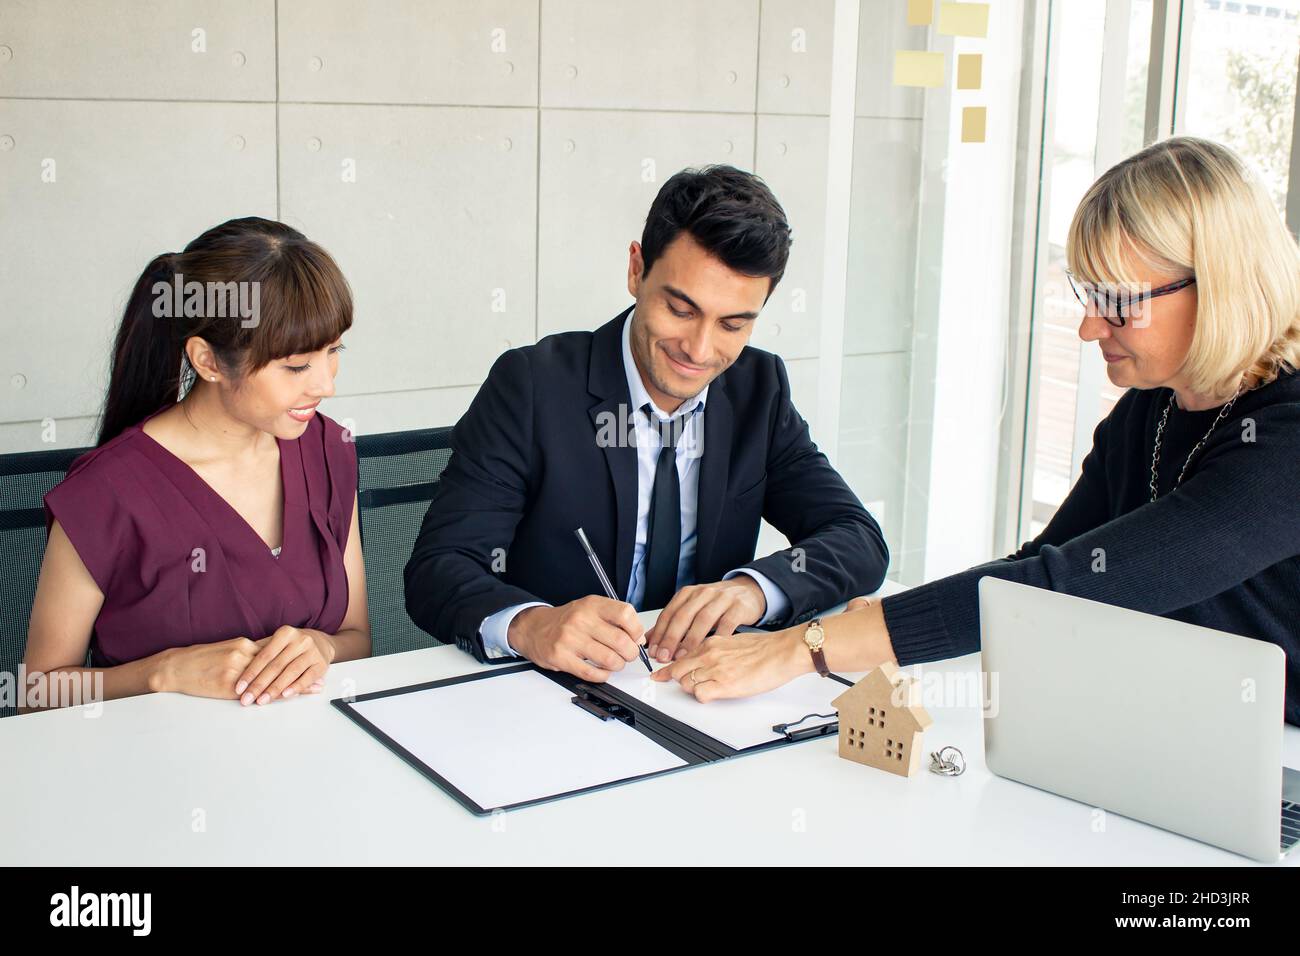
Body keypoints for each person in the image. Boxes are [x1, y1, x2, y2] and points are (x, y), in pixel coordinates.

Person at [654, 137, 1300, 727]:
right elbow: (1042, 562)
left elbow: (1070, 586)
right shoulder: (1152, 410)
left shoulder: (1287, 436)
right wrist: (880, 626)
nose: (1089, 329)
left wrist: (807, 646)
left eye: (1119, 303)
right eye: (1086, 296)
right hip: (1188, 731)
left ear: (1218, 284)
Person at [405, 165, 888, 682]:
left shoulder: (758, 389)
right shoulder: (532, 386)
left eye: (733, 324)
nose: (700, 351)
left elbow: (857, 538)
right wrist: (532, 624)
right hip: (553, 694)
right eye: (681, 309)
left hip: (696, 690)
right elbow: (439, 569)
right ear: (637, 270)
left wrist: (754, 589)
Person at [22, 218, 370, 712]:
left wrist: (324, 647)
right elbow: (35, 693)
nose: (325, 384)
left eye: (334, 351)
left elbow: (356, 636)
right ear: (207, 361)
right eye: (296, 366)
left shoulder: (329, 447)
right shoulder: (106, 491)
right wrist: (161, 672)